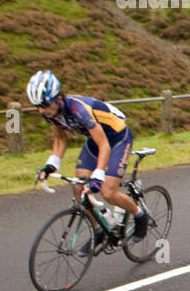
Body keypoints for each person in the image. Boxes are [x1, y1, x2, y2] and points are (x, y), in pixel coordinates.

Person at [29, 70, 150, 241]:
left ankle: (140, 215)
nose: (42, 110)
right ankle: (99, 232)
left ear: (58, 98)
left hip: (117, 139)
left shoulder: (78, 109)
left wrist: (99, 175)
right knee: (79, 188)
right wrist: (51, 165)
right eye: (38, 107)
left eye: (45, 105)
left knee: (108, 192)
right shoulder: (52, 113)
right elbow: (60, 139)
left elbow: (104, 145)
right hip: (96, 140)